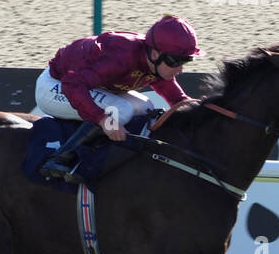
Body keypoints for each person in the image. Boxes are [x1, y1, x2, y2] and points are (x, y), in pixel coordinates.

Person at [37, 15, 201, 184]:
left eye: (186, 61)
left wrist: (200, 109)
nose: (180, 69)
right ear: (154, 53)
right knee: (120, 111)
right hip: (54, 86)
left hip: (88, 86)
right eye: (175, 61)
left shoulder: (155, 63)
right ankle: (61, 159)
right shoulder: (121, 57)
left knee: (146, 108)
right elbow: (72, 84)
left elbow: (178, 101)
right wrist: (103, 120)